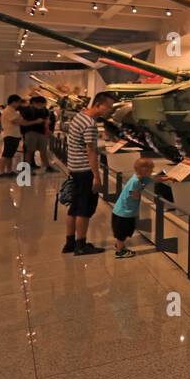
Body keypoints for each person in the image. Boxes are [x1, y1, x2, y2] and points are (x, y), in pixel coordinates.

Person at [62, 91, 116, 256]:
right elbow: (91, 151)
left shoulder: (79, 116)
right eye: (109, 107)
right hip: (85, 171)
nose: (110, 110)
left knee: (74, 207)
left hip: (75, 168)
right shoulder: (90, 123)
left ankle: (70, 243)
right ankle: (81, 245)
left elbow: (73, 145)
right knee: (84, 209)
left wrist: (70, 166)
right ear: (99, 105)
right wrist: (96, 176)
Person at [110, 157, 161, 258]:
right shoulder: (136, 182)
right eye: (151, 169)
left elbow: (152, 179)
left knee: (122, 230)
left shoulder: (138, 177)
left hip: (122, 210)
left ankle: (119, 245)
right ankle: (120, 251)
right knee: (122, 232)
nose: (152, 171)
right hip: (124, 212)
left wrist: (166, 178)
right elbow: (133, 194)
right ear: (144, 170)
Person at [22, 95, 53, 172]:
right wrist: (35, 122)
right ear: (34, 103)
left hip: (42, 133)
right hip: (31, 132)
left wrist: (47, 128)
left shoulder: (44, 110)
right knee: (29, 151)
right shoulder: (27, 110)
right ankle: (27, 168)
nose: (42, 105)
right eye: (40, 104)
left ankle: (48, 167)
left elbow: (46, 120)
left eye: (43, 104)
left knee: (43, 150)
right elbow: (23, 123)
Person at [0, 94, 24, 178]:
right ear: (13, 102)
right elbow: (16, 121)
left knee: (10, 155)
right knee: (6, 154)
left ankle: (9, 171)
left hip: (14, 135)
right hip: (10, 135)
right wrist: (21, 117)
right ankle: (1, 172)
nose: (19, 104)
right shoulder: (8, 111)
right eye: (18, 102)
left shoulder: (13, 110)